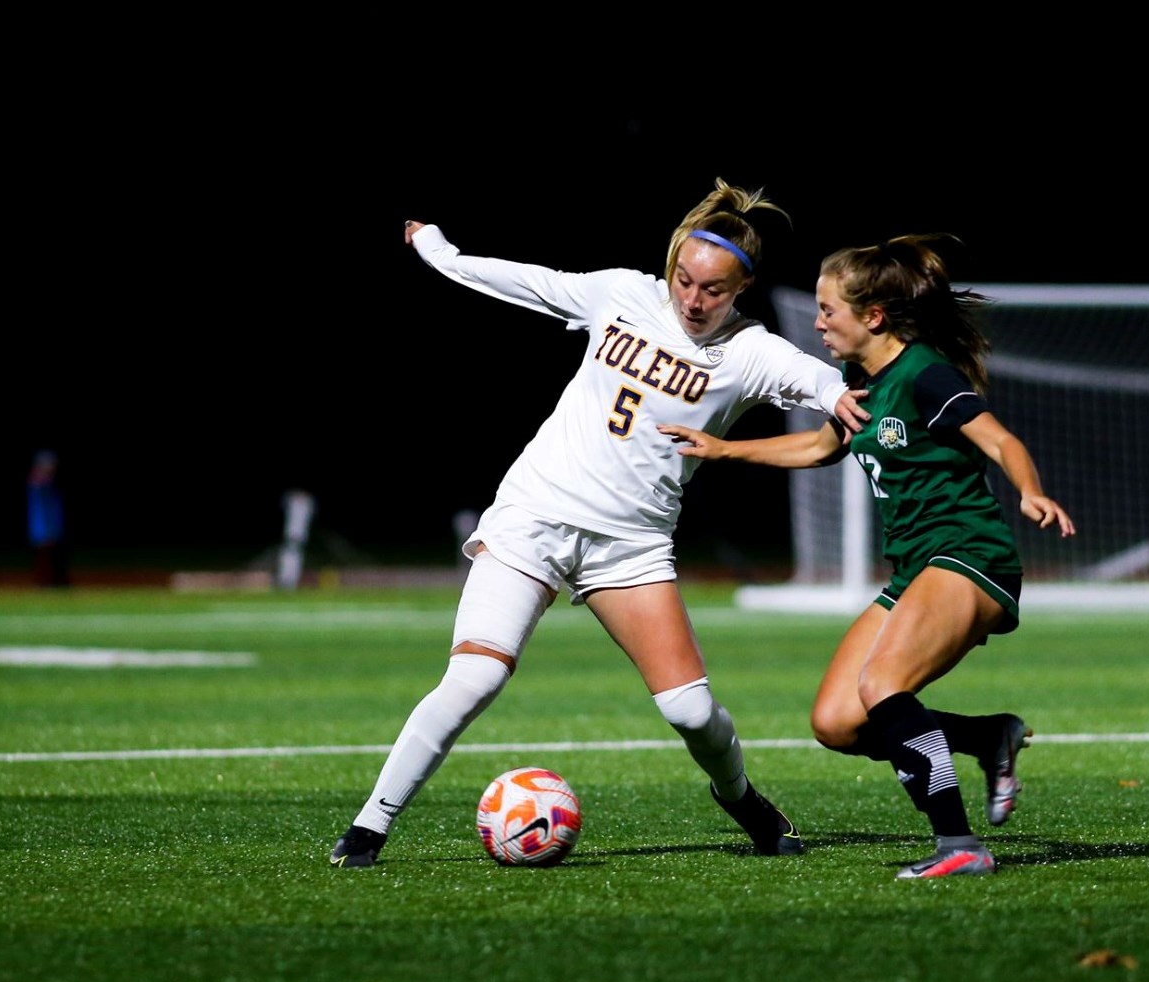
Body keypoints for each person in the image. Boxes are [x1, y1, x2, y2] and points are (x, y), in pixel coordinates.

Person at [328, 179, 871, 867]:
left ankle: (742, 797)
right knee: (474, 678)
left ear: (743, 288)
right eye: (684, 279)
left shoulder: (748, 351)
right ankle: (368, 828)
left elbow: (814, 379)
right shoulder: (622, 293)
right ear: (671, 265)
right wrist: (440, 250)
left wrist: (837, 393)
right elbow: (527, 283)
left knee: (691, 713)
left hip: (630, 547)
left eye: (713, 289)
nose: (693, 299)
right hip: (535, 516)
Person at [660, 234, 1075, 879]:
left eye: (829, 311)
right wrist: (722, 450)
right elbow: (819, 449)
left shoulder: (923, 374)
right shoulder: (861, 382)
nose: (819, 323)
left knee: (883, 685)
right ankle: (984, 735)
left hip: (968, 556)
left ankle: (958, 846)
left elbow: (999, 438)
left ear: (872, 317)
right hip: (915, 570)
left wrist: (1032, 492)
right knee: (837, 723)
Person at [26, 449, 69, 588]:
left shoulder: (50, 483)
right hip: (43, 529)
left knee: (56, 558)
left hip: (53, 528)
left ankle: (55, 583)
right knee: (45, 559)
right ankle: (45, 583)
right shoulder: (38, 483)